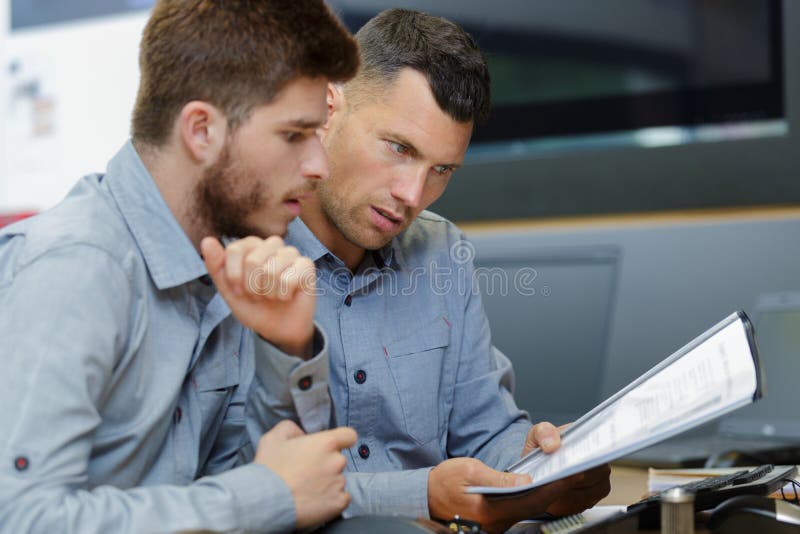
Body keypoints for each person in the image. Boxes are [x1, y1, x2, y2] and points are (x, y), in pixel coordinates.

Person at [0, 1, 360, 532]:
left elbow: (269, 488)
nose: (319, 167)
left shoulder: (225, 257)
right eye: (293, 135)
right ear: (201, 130)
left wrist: (286, 350)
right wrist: (263, 495)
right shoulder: (75, 268)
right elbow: (20, 517)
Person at [283, 9, 611, 532]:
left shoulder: (442, 252)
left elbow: (484, 435)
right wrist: (422, 495)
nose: (412, 196)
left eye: (441, 170)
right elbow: (248, 484)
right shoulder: (246, 256)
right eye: (399, 148)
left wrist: (534, 464)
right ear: (329, 107)